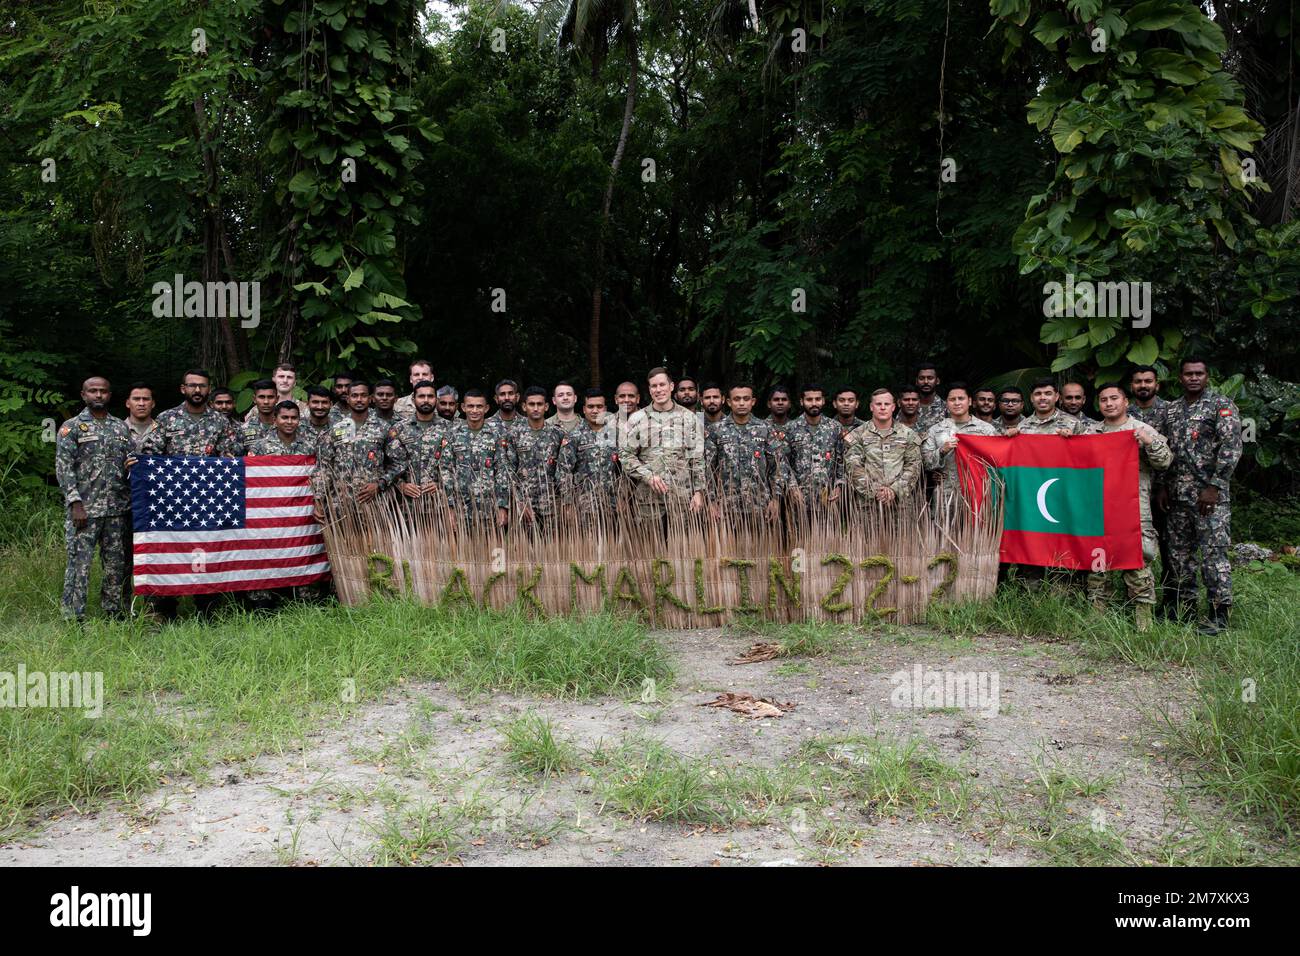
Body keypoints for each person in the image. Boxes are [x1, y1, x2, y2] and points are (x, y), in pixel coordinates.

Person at [138, 368, 240, 621]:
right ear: (183, 389)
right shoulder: (166, 419)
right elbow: (149, 452)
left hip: (208, 503)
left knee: (207, 552)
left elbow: (231, 454)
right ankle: (163, 609)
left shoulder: (220, 421)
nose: (197, 390)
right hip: (170, 501)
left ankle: (207, 608)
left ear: (208, 389)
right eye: (192, 386)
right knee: (170, 553)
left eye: (202, 386)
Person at [1161, 357, 1243, 634]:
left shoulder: (1221, 406)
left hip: (1208, 497)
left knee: (1213, 556)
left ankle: (1219, 614)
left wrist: (1215, 486)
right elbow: (1163, 450)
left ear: (1207, 376)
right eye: (1188, 374)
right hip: (1177, 497)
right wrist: (1162, 485)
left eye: (1199, 373)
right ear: (1180, 378)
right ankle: (1184, 610)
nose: (1193, 378)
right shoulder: (1171, 410)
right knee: (1179, 556)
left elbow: (1231, 448)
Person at [1085, 384, 1172, 631]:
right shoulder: (1091, 432)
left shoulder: (1141, 429)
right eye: (1104, 399)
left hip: (1134, 507)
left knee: (1137, 558)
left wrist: (1148, 442)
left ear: (1125, 402)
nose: (1109, 403)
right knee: (1097, 560)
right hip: (1098, 507)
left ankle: (1143, 623)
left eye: (1114, 398)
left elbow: (1165, 462)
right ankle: (1097, 618)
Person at [56, 376, 132, 623]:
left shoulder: (120, 427)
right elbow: (64, 467)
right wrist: (74, 502)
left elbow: (128, 465)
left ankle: (114, 611)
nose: (98, 395)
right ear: (83, 395)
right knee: (79, 565)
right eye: (93, 391)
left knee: (116, 565)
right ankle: (73, 615)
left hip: (116, 510)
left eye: (103, 391)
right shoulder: (72, 427)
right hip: (85, 510)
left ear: (110, 395)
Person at [622, 367, 706, 521]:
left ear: (671, 386)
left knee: (682, 544)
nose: (658, 390)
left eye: (662, 385)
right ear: (649, 389)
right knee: (650, 545)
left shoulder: (690, 418)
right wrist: (648, 476)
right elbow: (626, 456)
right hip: (649, 501)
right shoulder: (637, 419)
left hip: (682, 500)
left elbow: (697, 458)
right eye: (654, 386)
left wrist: (699, 492)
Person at [316, 380, 408, 506]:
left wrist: (380, 483)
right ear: (348, 399)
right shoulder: (335, 430)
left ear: (370, 399)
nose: (359, 399)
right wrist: (319, 500)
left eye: (363, 395)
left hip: (375, 503)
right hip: (342, 503)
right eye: (354, 396)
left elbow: (399, 462)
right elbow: (324, 467)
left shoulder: (384, 428)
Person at [1128, 364, 1173, 612]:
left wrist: (1165, 486)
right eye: (1138, 381)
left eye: (1148, 381)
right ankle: (1133, 600)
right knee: (1137, 548)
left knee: (1168, 549)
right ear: (1131, 386)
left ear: (1157, 384)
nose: (1143, 385)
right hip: (1132, 493)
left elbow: (1174, 454)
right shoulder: (1122, 411)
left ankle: (1172, 605)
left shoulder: (1170, 411)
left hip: (1165, 491)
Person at [705, 383, 782, 522]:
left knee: (760, 544)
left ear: (753, 402)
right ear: (729, 402)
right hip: (726, 507)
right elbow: (708, 469)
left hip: (760, 505)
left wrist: (775, 499)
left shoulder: (765, 429)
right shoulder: (716, 430)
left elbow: (777, 467)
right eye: (737, 399)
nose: (741, 403)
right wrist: (711, 501)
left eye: (746, 399)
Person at [921, 382, 997, 510]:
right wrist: (942, 451)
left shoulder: (986, 430)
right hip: (945, 495)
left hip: (977, 492)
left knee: (976, 530)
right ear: (946, 403)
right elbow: (926, 462)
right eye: (952, 399)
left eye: (961, 398)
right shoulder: (935, 430)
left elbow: (996, 460)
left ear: (970, 401)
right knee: (944, 530)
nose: (957, 403)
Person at [440, 388, 510, 527]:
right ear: (463, 407)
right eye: (470, 406)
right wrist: (450, 507)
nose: (474, 410)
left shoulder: (496, 435)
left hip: (490, 508)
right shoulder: (452, 435)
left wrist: (502, 506)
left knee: (490, 548)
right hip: (461, 507)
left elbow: (502, 470)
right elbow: (445, 470)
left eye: (479, 406)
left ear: (486, 408)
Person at [843, 388, 921, 506]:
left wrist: (894, 490)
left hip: (900, 504)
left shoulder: (908, 434)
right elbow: (853, 467)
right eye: (878, 404)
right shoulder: (857, 435)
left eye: (887, 404)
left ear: (893, 407)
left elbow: (913, 466)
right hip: (868, 505)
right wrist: (875, 491)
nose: (883, 407)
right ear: (871, 407)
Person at [507, 386, 566, 531]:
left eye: (539, 404)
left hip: (552, 504)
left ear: (546, 407)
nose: (535, 408)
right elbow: (509, 470)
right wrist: (519, 501)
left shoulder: (558, 434)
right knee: (524, 550)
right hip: (524, 504)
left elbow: (564, 470)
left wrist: (564, 501)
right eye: (531, 404)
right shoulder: (514, 434)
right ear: (524, 406)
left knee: (553, 548)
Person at [557, 389, 620, 514]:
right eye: (591, 406)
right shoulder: (573, 436)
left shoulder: (616, 434)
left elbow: (623, 469)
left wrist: (623, 496)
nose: (595, 411)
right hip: (584, 506)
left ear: (605, 409)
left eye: (599, 407)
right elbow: (563, 471)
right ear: (584, 409)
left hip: (612, 505)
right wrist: (568, 503)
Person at [394, 382, 453, 512]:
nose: (426, 400)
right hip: (406, 506)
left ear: (436, 400)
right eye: (421, 396)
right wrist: (401, 485)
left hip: (439, 506)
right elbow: (390, 463)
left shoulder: (451, 429)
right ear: (414, 400)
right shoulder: (399, 429)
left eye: (430, 396)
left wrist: (440, 484)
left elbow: (458, 464)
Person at [784, 383, 843, 509]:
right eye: (809, 399)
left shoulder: (834, 428)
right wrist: (792, 487)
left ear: (823, 401)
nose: (814, 403)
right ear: (802, 401)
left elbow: (841, 460)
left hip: (828, 499)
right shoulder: (790, 428)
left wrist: (839, 486)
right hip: (799, 500)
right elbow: (784, 462)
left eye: (817, 399)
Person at [1006, 379, 1089, 436]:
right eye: (1038, 394)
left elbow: (1085, 453)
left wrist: (1072, 440)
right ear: (1031, 398)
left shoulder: (1074, 424)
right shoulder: (1021, 427)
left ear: (1056, 397)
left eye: (1048, 393)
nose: (1042, 398)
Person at [236, 378, 279, 451]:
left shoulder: (287, 426)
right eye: (261, 397)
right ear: (254, 399)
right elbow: (238, 457)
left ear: (277, 399)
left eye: (270, 397)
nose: (266, 402)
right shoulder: (244, 429)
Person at [914, 362, 946, 435]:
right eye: (921, 378)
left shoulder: (946, 408)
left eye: (930, 378)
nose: (926, 382)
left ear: (937, 381)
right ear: (916, 381)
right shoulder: (908, 406)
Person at [123, 381, 156, 451]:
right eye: (136, 399)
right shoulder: (117, 429)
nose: (141, 403)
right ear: (127, 403)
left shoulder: (162, 430)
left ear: (153, 403)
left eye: (146, 399)